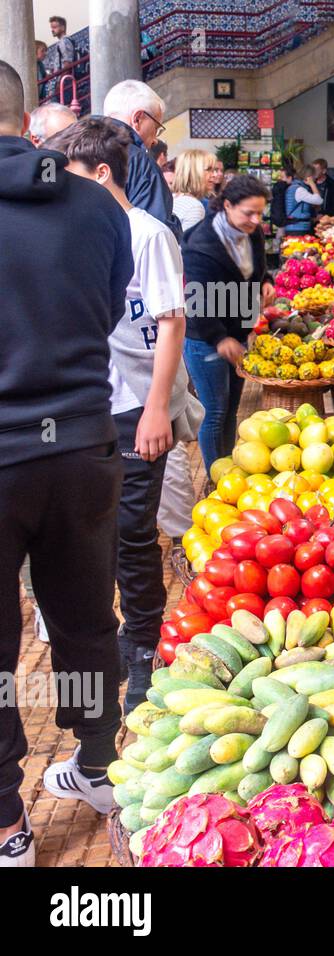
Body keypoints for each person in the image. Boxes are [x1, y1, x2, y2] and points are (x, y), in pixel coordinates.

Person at [0, 60, 133, 866]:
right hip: (83, 443)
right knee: (86, 619)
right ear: (24, 116)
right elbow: (109, 302)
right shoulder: (95, 202)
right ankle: (97, 762)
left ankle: (7, 825)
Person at [48, 117, 195, 711]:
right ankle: (108, 648)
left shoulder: (148, 233)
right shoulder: (71, 230)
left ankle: (144, 651)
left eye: (74, 173)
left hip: (138, 406)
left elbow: (171, 320)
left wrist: (158, 406)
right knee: (94, 536)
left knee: (135, 535)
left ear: (101, 172)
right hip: (86, 405)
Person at [183, 175, 274, 469]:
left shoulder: (253, 232)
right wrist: (220, 339)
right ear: (227, 205)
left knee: (232, 406)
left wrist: (266, 281)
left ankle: (228, 469)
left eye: (260, 212)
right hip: (205, 338)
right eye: (248, 212)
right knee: (214, 410)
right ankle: (216, 475)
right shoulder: (201, 244)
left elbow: (256, 267)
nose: (255, 219)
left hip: (237, 331)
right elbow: (197, 302)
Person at [102, 79, 181, 239]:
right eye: (156, 128)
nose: (155, 140)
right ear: (137, 119)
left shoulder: (67, 146)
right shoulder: (139, 161)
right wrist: (175, 225)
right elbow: (158, 231)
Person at [172, 147, 221, 233]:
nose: (215, 175)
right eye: (209, 170)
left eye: (215, 170)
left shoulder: (173, 198)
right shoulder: (194, 207)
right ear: (193, 172)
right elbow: (186, 245)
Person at [278, 160, 321, 236]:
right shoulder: (299, 190)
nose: (315, 179)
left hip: (295, 227)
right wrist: (312, 184)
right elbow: (319, 200)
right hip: (297, 229)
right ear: (309, 177)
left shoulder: (295, 187)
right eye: (314, 177)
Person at [43, 17, 76, 86]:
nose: (52, 30)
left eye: (54, 27)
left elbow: (67, 62)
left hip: (65, 80)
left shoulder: (64, 42)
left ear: (63, 28)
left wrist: (60, 82)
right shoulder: (64, 41)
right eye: (51, 28)